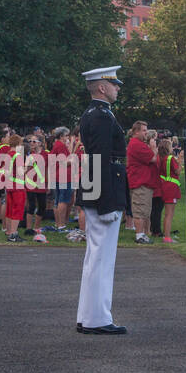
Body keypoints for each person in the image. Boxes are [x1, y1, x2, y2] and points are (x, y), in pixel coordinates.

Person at [76, 66, 127, 335]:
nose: (118, 88)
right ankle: (97, 318)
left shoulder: (94, 114)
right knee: (101, 258)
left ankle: (88, 315)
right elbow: (101, 159)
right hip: (104, 190)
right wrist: (107, 203)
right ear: (102, 88)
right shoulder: (102, 117)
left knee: (95, 257)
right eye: (114, 84)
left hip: (97, 187)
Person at [126, 121, 157, 244]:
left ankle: (142, 234)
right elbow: (153, 158)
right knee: (139, 210)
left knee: (144, 210)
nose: (146, 133)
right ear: (136, 131)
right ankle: (139, 235)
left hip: (144, 182)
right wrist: (153, 148)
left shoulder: (138, 144)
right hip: (140, 182)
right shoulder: (136, 144)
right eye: (144, 130)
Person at [157, 136, 181, 242]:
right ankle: (167, 237)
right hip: (171, 188)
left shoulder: (162, 159)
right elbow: (177, 171)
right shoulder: (170, 159)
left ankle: (167, 235)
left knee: (168, 213)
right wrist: (181, 161)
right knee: (169, 214)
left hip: (166, 187)